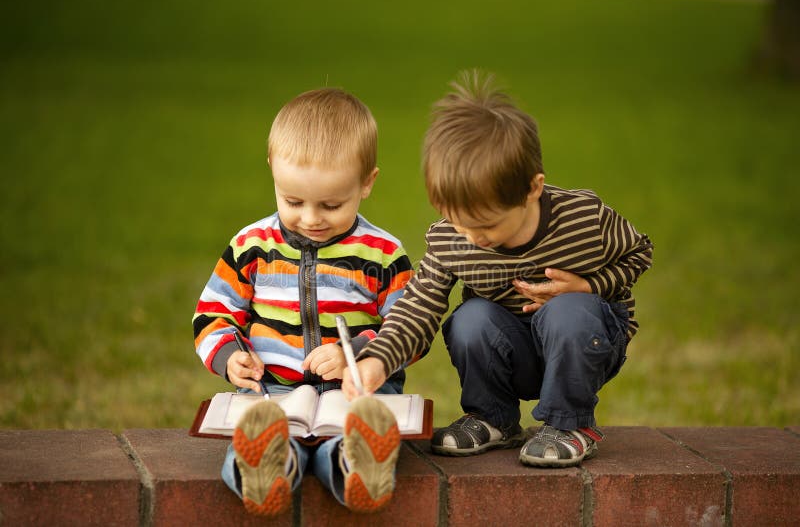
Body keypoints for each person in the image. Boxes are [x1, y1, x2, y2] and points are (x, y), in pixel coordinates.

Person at [342, 71, 653, 468]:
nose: (471, 237)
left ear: (532, 189)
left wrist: (590, 285)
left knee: (567, 309)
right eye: (458, 222)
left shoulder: (583, 218)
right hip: (513, 348)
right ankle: (492, 417)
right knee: (470, 318)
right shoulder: (452, 240)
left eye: (486, 225)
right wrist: (379, 359)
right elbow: (418, 307)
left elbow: (639, 253)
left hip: (586, 342)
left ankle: (571, 423)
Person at [192, 87, 414, 515]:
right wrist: (229, 356)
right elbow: (212, 314)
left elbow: (408, 326)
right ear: (273, 171)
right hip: (271, 393)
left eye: (331, 204)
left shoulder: (382, 253)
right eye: (293, 201)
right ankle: (268, 468)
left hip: (356, 389)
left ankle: (357, 465)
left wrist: (360, 352)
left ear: (367, 183)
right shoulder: (251, 247)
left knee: (351, 432)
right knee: (261, 436)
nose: (311, 218)